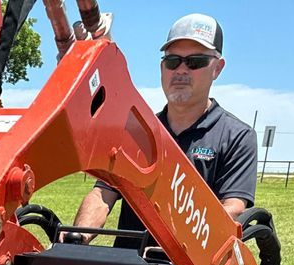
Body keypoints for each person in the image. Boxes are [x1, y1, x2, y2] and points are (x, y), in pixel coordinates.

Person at [68, 13, 258, 246]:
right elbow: (102, 194)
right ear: (162, 67)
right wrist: (77, 238)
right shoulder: (136, 134)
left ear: (217, 68)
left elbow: (232, 210)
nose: (181, 70)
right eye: (172, 61)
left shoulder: (237, 137)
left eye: (195, 62)